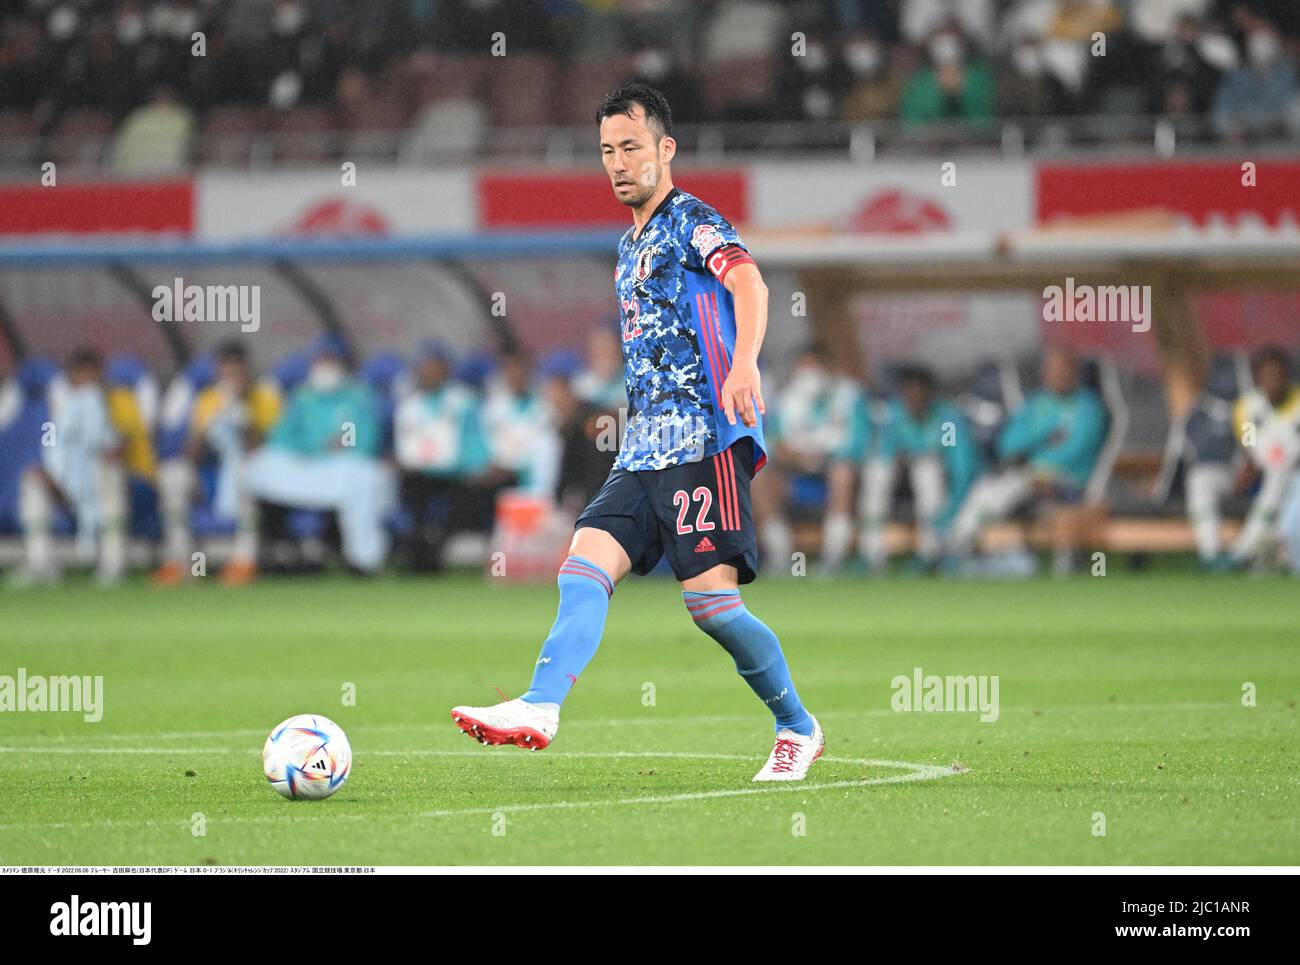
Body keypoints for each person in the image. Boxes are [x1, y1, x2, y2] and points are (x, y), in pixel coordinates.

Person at [451, 84, 824, 782]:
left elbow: (750, 284)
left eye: (630, 146)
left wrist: (744, 363)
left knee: (712, 606)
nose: (618, 162)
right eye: (606, 151)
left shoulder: (691, 221)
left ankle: (797, 726)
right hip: (644, 445)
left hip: (703, 441)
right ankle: (540, 704)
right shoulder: (629, 244)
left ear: (665, 149)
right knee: (582, 567)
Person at [244, 336, 392, 576]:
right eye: (319, 361)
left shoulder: (358, 396)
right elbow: (283, 437)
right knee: (261, 464)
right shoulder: (302, 398)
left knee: (362, 477)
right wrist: (308, 450)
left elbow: (357, 439)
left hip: (341, 465)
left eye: (329, 361)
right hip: (305, 465)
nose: (324, 367)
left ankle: (364, 560)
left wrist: (337, 442)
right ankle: (263, 553)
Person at [944, 348, 1107, 561]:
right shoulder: (1037, 403)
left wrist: (1039, 462)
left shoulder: (1088, 408)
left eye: (1061, 368)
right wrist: (1045, 436)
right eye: (1050, 369)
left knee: (1008, 488)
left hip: (1068, 482)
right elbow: (1008, 443)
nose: (1055, 374)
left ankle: (956, 546)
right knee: (988, 487)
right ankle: (957, 546)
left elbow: (1077, 450)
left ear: (1074, 372)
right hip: (1027, 478)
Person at [153, 341, 281, 585]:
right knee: (173, 476)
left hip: (253, 470)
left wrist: (243, 412)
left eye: (236, 373)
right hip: (211, 474)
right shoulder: (207, 400)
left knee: (248, 473)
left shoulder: (265, 397)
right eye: (225, 372)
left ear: (247, 371)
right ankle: (182, 563)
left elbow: (265, 449)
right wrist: (209, 428)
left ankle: (244, 562)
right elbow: (192, 451)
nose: (230, 379)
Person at [752, 342, 868, 574]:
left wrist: (822, 455)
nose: (806, 373)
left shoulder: (849, 395)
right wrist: (789, 454)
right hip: (795, 469)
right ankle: (780, 556)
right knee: (758, 477)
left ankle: (833, 559)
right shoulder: (788, 397)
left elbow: (858, 444)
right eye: (802, 367)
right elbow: (772, 442)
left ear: (827, 368)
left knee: (842, 473)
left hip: (833, 467)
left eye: (812, 366)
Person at [13, 349, 126, 585]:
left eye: (90, 373)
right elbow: (52, 443)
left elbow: (120, 448)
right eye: (78, 374)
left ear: (100, 374)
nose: (83, 379)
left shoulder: (118, 400)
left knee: (107, 473)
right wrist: (52, 470)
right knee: (32, 479)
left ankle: (113, 566)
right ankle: (40, 564)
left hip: (107, 476)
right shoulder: (61, 406)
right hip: (70, 477)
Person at [862, 365, 979, 572]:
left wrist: (951, 510)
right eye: (908, 392)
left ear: (930, 393)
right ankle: (872, 554)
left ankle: (931, 552)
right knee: (877, 472)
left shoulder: (946, 421)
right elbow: (884, 451)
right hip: (902, 481)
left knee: (927, 469)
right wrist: (900, 458)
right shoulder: (894, 415)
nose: (914, 398)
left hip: (942, 486)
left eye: (919, 392)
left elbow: (958, 465)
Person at [1221, 347, 1300, 569]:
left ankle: (1244, 553)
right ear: (1257, 379)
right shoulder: (1247, 406)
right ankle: (1251, 554)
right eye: (1267, 377)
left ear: (1287, 376)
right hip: (1256, 476)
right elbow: (1248, 446)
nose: (1273, 382)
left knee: (1283, 477)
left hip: (1293, 478)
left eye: (1278, 376)